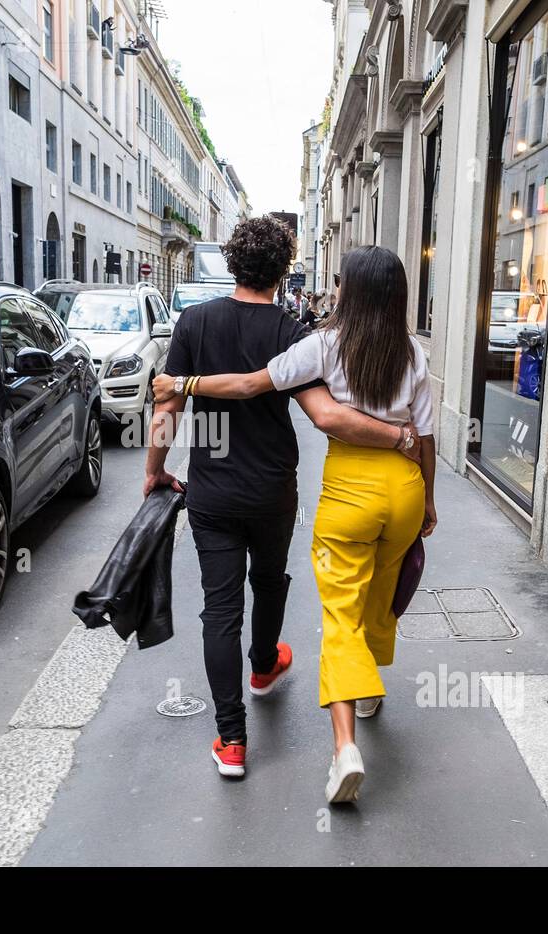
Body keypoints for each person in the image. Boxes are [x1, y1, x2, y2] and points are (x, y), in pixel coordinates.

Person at [153, 245, 435, 803]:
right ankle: (349, 681)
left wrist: (177, 397)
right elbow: (425, 438)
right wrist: (427, 503)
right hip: (393, 488)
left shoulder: (320, 344)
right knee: (375, 594)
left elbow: (247, 388)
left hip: (336, 492)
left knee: (333, 615)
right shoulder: (410, 352)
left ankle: (315, 747)